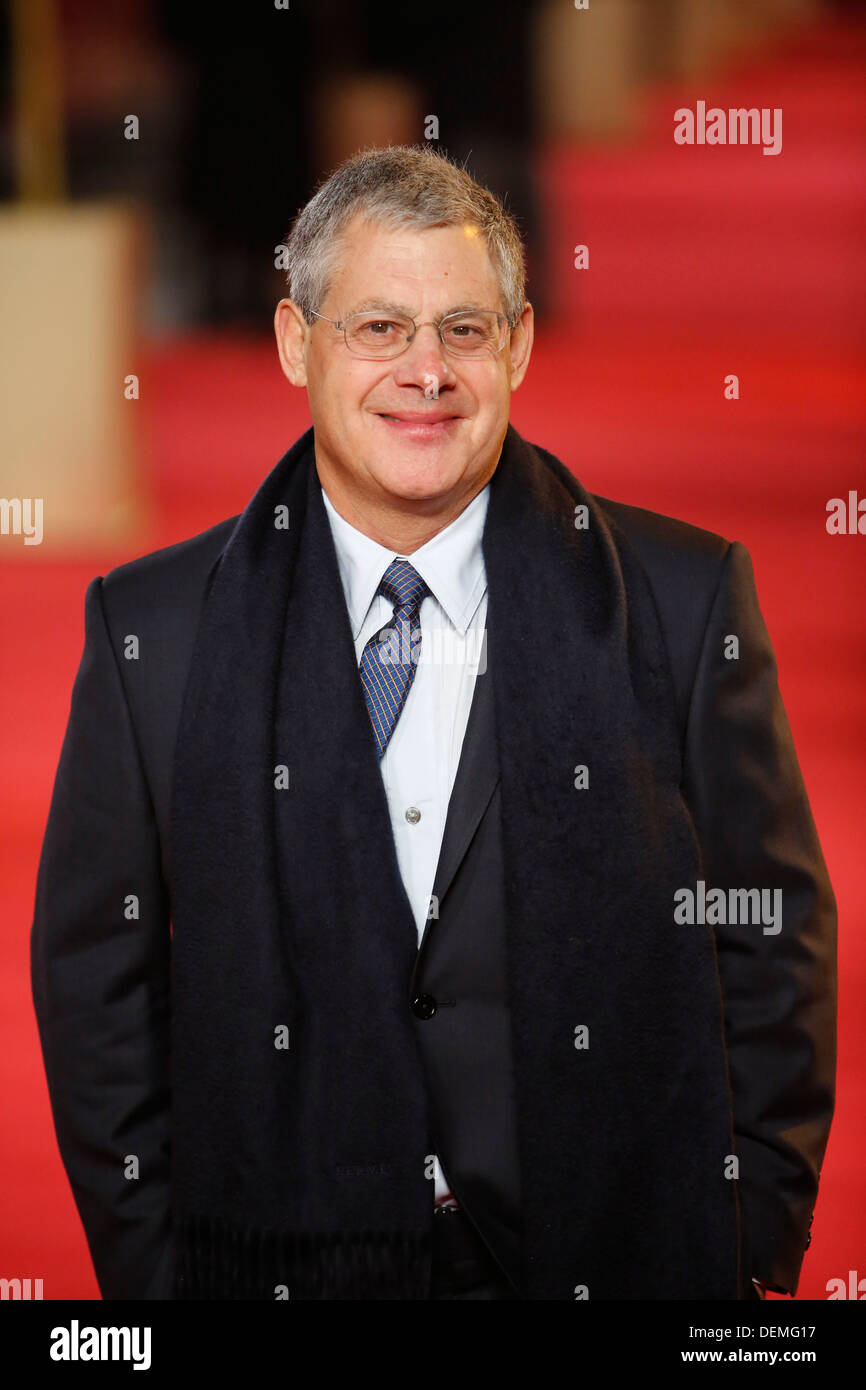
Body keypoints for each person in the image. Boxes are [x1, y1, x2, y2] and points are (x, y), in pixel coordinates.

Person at [31, 144, 836, 1301]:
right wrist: (159, 1275)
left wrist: (747, 1239)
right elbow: (97, 977)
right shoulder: (153, 628)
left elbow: (769, 932)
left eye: (463, 329)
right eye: (378, 328)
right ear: (295, 343)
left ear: (516, 346)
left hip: (610, 1258)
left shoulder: (680, 597)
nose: (426, 371)